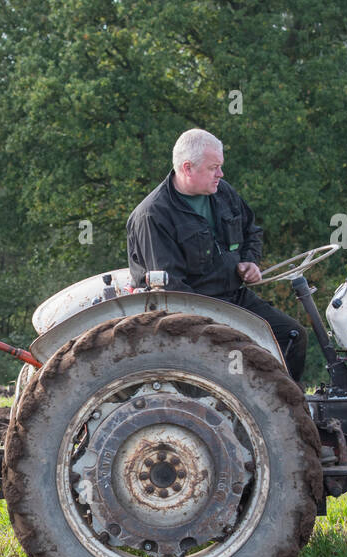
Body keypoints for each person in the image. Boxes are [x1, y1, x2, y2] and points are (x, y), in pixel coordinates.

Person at [126, 128, 307, 384]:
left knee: (292, 335)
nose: (220, 174)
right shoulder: (153, 215)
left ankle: (290, 410)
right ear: (188, 168)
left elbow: (251, 230)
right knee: (239, 356)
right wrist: (224, 326)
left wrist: (250, 261)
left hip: (234, 297)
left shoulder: (223, 192)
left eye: (220, 167)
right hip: (189, 313)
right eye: (214, 168)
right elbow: (172, 291)